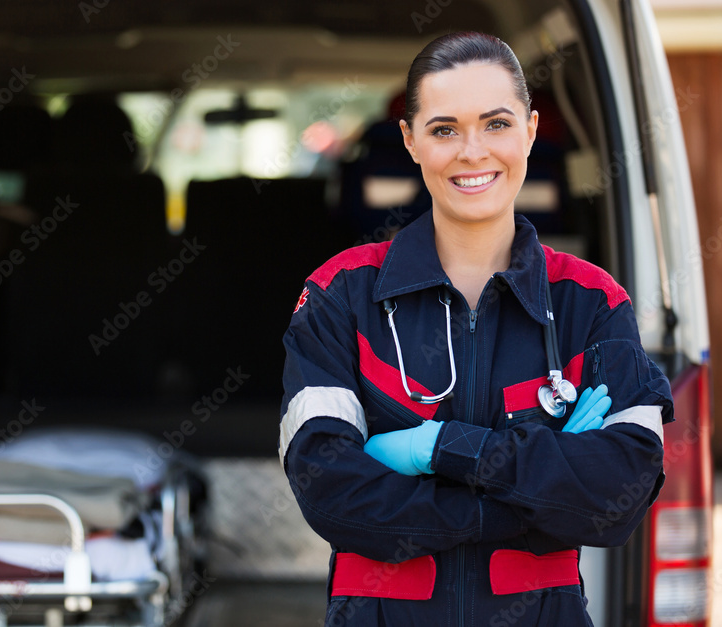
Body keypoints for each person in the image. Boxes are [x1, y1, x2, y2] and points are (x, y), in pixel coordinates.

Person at [279, 31, 672, 626]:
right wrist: (537, 493)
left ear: (532, 130)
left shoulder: (590, 303)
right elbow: (332, 493)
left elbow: (616, 500)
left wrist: (439, 448)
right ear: (410, 140)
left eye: (496, 124)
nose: (472, 151)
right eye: (444, 129)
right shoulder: (340, 295)